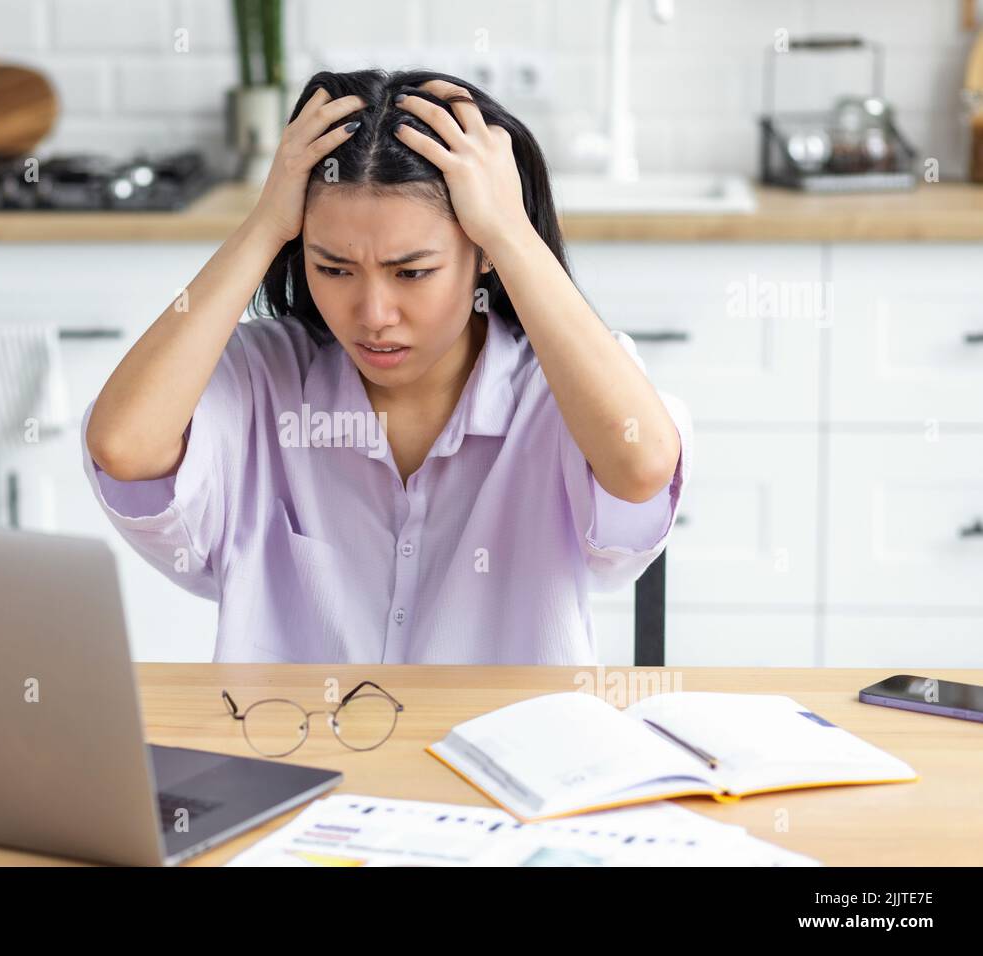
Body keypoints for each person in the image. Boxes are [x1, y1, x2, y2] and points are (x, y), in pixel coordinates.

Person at [82, 69, 691, 664]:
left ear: (482, 254)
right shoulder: (260, 378)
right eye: (334, 269)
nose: (373, 314)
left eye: (412, 272)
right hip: (297, 758)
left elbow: (640, 467)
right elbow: (124, 445)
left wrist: (511, 230)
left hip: (509, 758)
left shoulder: (556, 387)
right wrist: (263, 224)